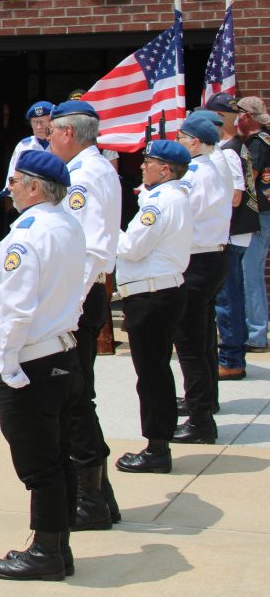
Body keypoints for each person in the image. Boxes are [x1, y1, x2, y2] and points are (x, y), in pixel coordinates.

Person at [0, 150, 84, 582]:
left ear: (35, 187)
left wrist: (7, 364)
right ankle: (58, 546)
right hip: (58, 354)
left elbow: (15, 309)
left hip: (31, 363)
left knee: (40, 463)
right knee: (57, 457)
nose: (12, 190)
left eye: (16, 183)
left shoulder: (28, 235)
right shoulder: (67, 224)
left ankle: (46, 552)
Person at [47, 100, 121, 530]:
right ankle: (100, 497)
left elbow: (89, 248)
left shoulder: (85, 176)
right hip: (83, 295)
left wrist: (66, 308)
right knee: (77, 399)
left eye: (53, 131)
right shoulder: (95, 170)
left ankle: (89, 502)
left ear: (69, 133)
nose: (49, 138)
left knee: (75, 402)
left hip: (79, 298)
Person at [114, 141, 193, 475]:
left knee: (151, 375)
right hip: (160, 293)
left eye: (148, 162)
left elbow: (131, 247)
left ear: (165, 170)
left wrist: (103, 230)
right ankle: (159, 441)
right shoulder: (167, 197)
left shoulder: (160, 202)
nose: (142, 167)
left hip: (151, 297)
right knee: (156, 372)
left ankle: (157, 448)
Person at [171, 112, 231, 444]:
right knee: (205, 341)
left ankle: (200, 421)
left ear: (194, 141)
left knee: (192, 346)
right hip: (212, 257)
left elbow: (181, 214)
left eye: (181, 138)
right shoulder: (213, 164)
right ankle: (205, 402)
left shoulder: (195, 173)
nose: (179, 143)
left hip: (197, 261)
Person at [207, 93, 259, 380]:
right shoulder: (233, 146)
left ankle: (231, 358)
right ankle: (233, 355)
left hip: (231, 233)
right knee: (231, 297)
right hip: (236, 233)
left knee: (227, 299)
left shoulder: (227, 150)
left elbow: (236, 197)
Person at [236, 96, 270, 353]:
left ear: (247, 116)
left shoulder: (257, 145)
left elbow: (250, 181)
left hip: (259, 216)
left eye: (238, 113)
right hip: (265, 214)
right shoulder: (266, 139)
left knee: (250, 275)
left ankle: (256, 335)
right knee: (252, 272)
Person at [0, 101, 54, 198]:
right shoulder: (24, 146)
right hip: (31, 199)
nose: (39, 127)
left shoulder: (62, 142)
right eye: (35, 122)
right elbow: (12, 176)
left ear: (52, 122)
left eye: (42, 122)